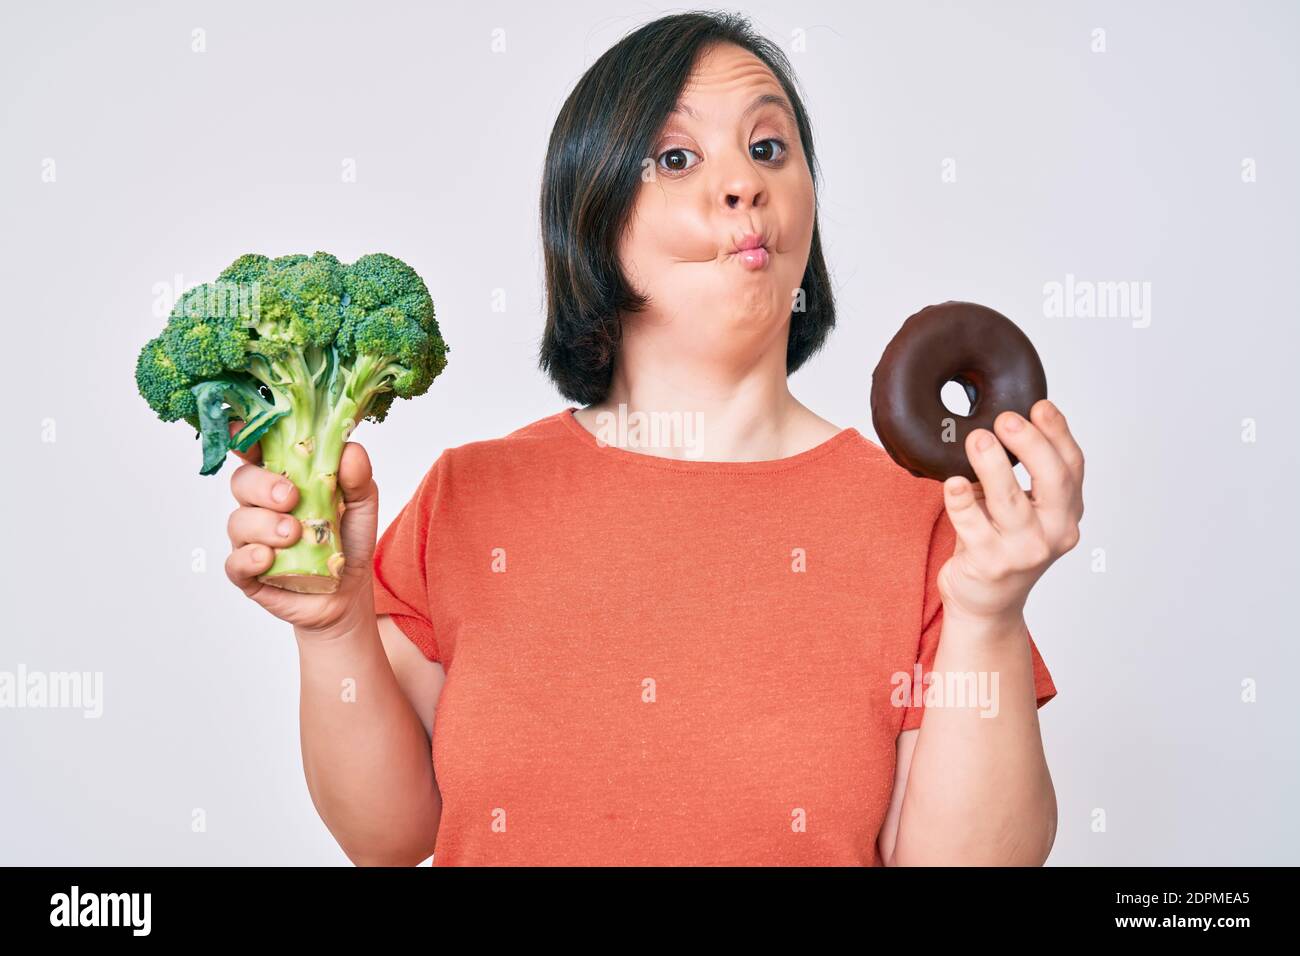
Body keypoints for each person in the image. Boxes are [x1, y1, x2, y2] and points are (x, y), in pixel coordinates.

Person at [222, 12, 1083, 866]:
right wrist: (334, 631)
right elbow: (387, 836)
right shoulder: (468, 498)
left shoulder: (931, 522)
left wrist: (989, 611)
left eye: (769, 147)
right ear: (594, 215)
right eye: (677, 158)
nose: (744, 183)